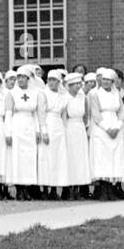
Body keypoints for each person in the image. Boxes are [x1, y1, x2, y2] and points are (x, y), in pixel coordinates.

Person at [4, 64, 46, 200]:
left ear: (28, 79)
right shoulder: (11, 94)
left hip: (30, 127)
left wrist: (38, 130)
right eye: (19, 77)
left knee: (29, 158)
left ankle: (28, 188)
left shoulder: (36, 93)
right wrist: (8, 133)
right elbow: (8, 114)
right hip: (17, 127)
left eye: (23, 77)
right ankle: (19, 189)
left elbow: (37, 114)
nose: (21, 79)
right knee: (17, 158)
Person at [88, 67, 124, 199]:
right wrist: (107, 128)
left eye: (108, 80)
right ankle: (103, 190)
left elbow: (121, 112)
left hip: (116, 127)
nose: (105, 82)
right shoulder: (95, 94)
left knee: (115, 158)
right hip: (101, 129)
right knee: (102, 158)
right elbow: (95, 114)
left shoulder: (117, 95)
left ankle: (112, 189)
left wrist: (117, 127)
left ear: (112, 82)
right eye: (103, 79)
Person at [62, 71, 92, 196]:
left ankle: (79, 187)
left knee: (80, 158)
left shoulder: (82, 97)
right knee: (70, 158)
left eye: (79, 84)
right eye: (75, 84)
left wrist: (85, 127)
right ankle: (68, 189)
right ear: (69, 85)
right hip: (69, 128)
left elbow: (86, 115)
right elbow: (63, 116)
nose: (78, 86)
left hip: (80, 128)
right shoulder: (64, 97)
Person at [40, 69, 68, 197]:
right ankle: (45, 188)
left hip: (59, 127)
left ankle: (55, 189)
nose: (51, 82)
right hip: (48, 124)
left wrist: (64, 130)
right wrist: (44, 131)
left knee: (58, 158)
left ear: (59, 82)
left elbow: (63, 115)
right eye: (49, 80)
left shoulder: (63, 96)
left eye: (54, 80)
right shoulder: (43, 94)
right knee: (47, 157)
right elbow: (41, 114)